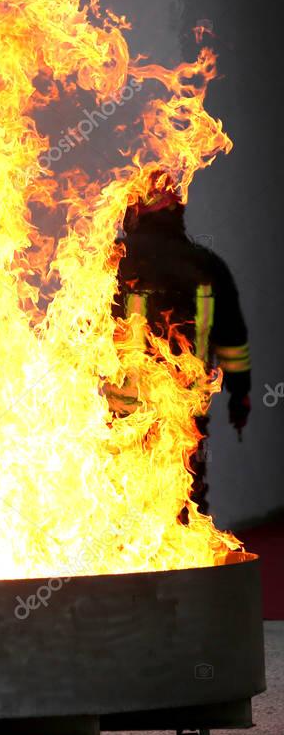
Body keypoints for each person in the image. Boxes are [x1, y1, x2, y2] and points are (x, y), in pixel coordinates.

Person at [110, 179, 251, 516]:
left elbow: (79, 333)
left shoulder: (113, 261)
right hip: (188, 409)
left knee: (119, 498)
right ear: (177, 209)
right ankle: (184, 563)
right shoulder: (206, 265)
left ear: (134, 210)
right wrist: (239, 395)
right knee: (185, 495)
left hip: (120, 409)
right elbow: (232, 339)